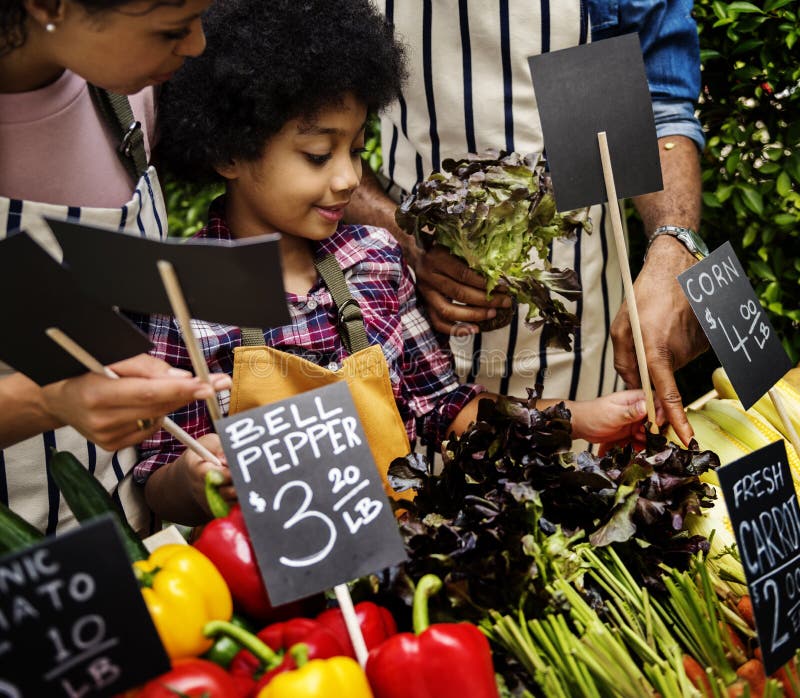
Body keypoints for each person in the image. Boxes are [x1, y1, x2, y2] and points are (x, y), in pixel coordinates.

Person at [138, 0, 659, 526]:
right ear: (229, 152)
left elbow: (449, 411)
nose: (346, 178)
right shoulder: (183, 292)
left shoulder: (375, 260)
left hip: (401, 568)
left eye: (358, 150)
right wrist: (192, 475)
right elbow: (157, 477)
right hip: (267, 590)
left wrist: (580, 419)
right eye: (320, 155)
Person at [346, 1, 708, 448]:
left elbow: (660, 108)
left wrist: (674, 244)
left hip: (582, 324)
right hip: (409, 316)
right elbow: (300, 130)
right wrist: (405, 243)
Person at [0, 0, 232, 536]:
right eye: (172, 28)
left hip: (135, 541)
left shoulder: (125, 98)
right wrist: (47, 402)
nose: (198, 44)